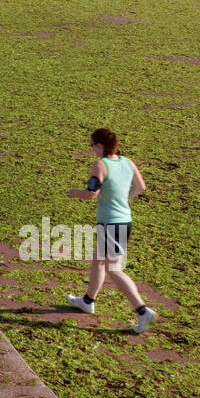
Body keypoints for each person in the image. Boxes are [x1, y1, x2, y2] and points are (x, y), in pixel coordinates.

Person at [66, 127, 156, 334]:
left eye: (92, 145)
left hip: (111, 224)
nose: (91, 149)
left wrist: (74, 193)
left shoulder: (100, 165)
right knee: (99, 260)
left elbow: (91, 193)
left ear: (99, 145)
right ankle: (88, 301)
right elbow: (140, 187)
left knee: (114, 269)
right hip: (124, 221)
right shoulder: (127, 162)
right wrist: (122, 201)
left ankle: (142, 311)